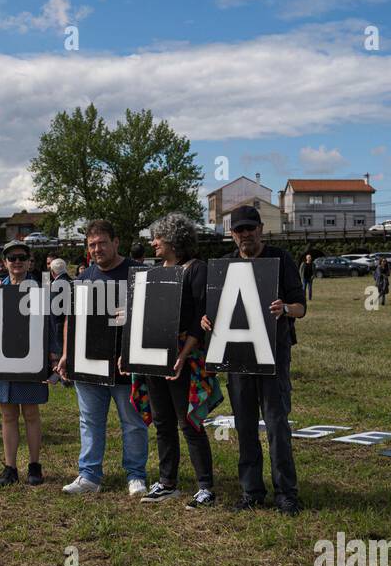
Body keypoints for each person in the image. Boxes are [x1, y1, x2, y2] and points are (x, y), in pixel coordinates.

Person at [200, 205, 306, 512]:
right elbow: (212, 313)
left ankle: (286, 493)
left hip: (273, 355)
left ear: (261, 229)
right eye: (239, 230)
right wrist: (207, 321)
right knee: (244, 426)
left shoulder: (281, 260)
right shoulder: (223, 266)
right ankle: (251, 492)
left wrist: (285, 309)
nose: (246, 234)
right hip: (237, 357)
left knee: (276, 425)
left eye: (251, 228)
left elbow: (301, 306)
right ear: (232, 235)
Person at [130, 214, 221, 508]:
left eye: (158, 237)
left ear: (172, 239)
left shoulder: (197, 269)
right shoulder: (155, 272)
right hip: (154, 355)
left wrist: (183, 356)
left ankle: (205, 486)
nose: (153, 243)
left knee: (188, 421)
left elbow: (200, 318)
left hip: (185, 354)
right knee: (162, 421)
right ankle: (167, 482)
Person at [57, 220, 150, 497]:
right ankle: (89, 475)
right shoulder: (83, 278)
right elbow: (70, 320)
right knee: (89, 421)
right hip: (89, 363)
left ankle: (135, 474)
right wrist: (66, 353)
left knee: (133, 422)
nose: (97, 249)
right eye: (92, 245)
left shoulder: (139, 273)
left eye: (102, 243)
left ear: (116, 242)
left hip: (127, 364)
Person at [0, 240, 58, 487]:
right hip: (1, 361)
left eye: (21, 257)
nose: (17, 262)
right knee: (8, 415)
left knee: (31, 413)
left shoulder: (40, 289)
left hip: (30, 360)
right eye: (12, 258)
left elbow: (49, 326)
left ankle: (34, 465)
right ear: (5, 262)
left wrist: (53, 356)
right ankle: (9, 468)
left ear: (29, 261)